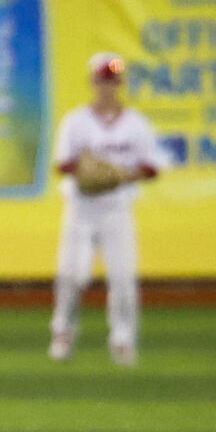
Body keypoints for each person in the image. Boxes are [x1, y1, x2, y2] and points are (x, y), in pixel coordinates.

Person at [48, 53, 166, 366]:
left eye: (113, 80)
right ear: (93, 82)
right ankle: (63, 332)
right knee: (72, 278)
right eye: (103, 79)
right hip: (81, 210)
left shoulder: (136, 124)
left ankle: (123, 340)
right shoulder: (76, 121)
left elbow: (153, 167)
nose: (108, 86)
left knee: (124, 280)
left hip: (117, 210)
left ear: (120, 83)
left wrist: (122, 175)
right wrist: (91, 172)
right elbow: (62, 164)